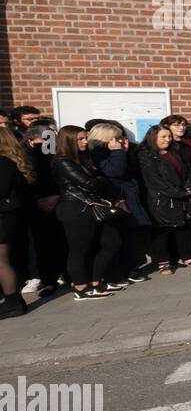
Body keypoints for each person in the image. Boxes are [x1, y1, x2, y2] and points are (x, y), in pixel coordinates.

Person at [52, 125, 122, 299]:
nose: (85, 142)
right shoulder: (62, 160)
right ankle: (80, 286)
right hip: (75, 208)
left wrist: (98, 180)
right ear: (69, 141)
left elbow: (94, 181)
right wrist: (100, 179)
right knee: (79, 249)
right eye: (81, 139)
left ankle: (95, 281)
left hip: (92, 206)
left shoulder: (83, 158)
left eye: (86, 138)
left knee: (111, 242)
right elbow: (89, 183)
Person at [89, 123, 149, 284]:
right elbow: (114, 171)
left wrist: (123, 152)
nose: (120, 141)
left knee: (129, 235)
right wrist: (117, 151)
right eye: (115, 138)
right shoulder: (98, 153)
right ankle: (121, 271)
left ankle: (129, 268)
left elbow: (129, 170)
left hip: (127, 198)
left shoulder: (116, 151)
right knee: (118, 239)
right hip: (115, 201)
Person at [138, 124, 191, 275]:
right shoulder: (146, 155)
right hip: (161, 199)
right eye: (163, 137)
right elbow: (154, 179)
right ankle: (163, 262)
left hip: (181, 196)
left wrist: (188, 186)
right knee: (162, 231)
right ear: (153, 138)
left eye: (169, 136)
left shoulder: (174, 151)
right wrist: (179, 192)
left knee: (182, 228)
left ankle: (186, 256)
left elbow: (190, 169)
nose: (168, 139)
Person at [20, 122, 64, 296]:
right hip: (37, 205)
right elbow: (28, 181)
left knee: (59, 241)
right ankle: (48, 279)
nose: (52, 139)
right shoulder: (26, 156)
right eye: (48, 136)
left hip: (56, 201)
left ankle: (60, 275)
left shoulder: (54, 154)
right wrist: (40, 200)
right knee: (42, 243)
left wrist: (57, 196)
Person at [0, 127, 35, 318]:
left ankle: (13, 302)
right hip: (8, 215)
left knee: (2, 261)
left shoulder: (4, 163)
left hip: (3, 216)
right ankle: (14, 300)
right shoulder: (11, 161)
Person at [163, 115, 191, 264]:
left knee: (190, 223)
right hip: (169, 191)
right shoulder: (163, 145)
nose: (181, 128)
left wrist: (190, 183)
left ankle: (187, 255)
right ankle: (172, 257)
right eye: (176, 125)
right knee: (172, 225)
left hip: (190, 188)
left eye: (183, 125)